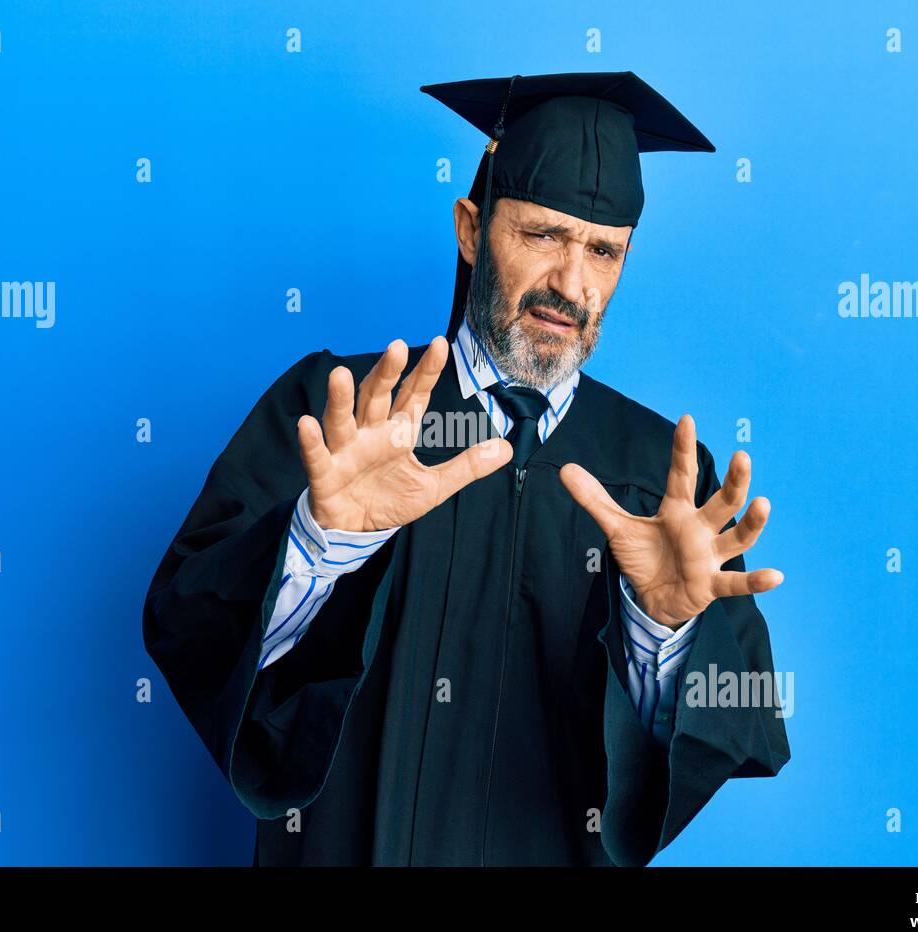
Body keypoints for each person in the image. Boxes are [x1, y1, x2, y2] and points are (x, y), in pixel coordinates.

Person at [142, 71, 790, 866]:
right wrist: (316, 544)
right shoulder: (341, 412)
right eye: (542, 235)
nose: (571, 284)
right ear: (471, 229)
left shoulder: (661, 477)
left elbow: (719, 731)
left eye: (602, 250)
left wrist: (660, 631)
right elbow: (187, 623)